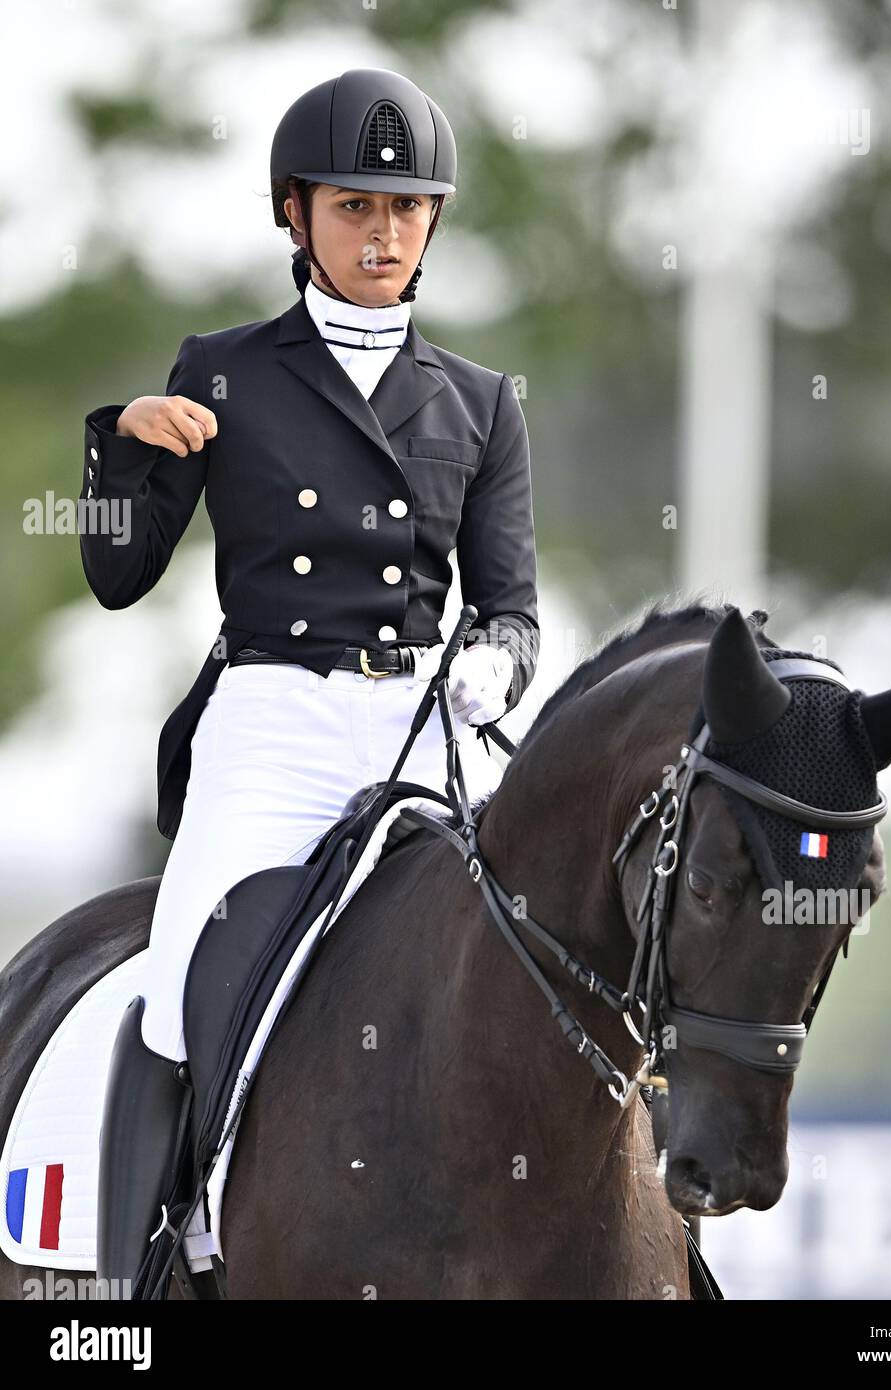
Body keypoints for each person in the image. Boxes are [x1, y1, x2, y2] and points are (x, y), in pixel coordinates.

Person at [80, 67, 539, 1296]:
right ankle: (155, 1259)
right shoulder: (224, 370)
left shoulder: (482, 404)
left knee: (543, 957)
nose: (383, 235)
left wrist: (490, 671)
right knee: (186, 975)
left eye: (407, 210)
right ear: (296, 216)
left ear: (432, 223)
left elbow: (510, 606)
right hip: (274, 716)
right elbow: (118, 577)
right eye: (355, 207)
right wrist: (122, 445)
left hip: (420, 727)